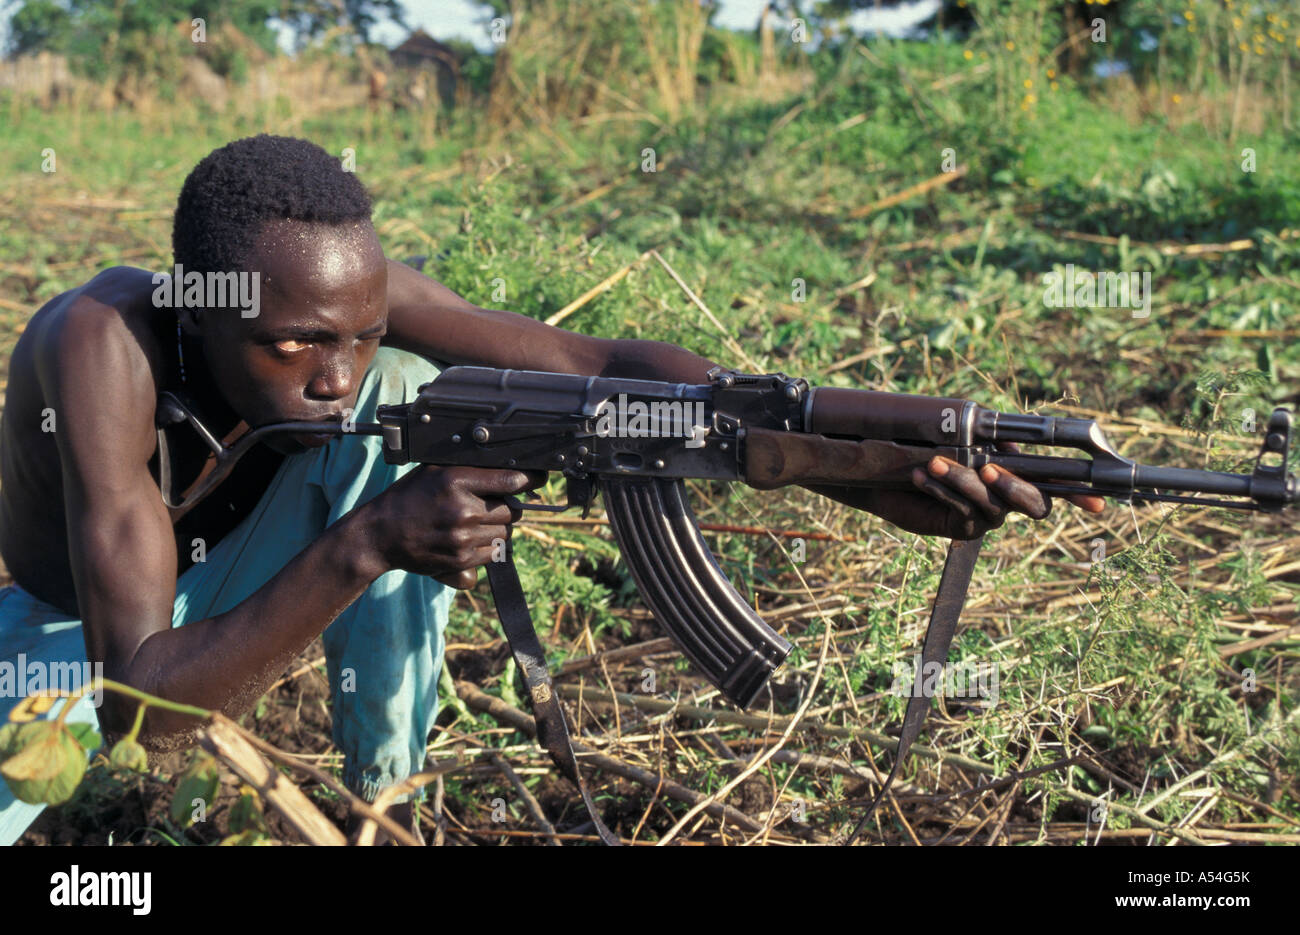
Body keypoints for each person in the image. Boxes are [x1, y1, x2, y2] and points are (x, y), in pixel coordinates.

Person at [0, 134, 1104, 845]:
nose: (331, 374)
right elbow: (140, 707)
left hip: (233, 578)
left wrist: (860, 463)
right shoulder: (100, 345)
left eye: (355, 330)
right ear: (200, 302)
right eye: (291, 344)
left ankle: (389, 802)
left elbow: (601, 365)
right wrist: (372, 537)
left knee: (415, 395)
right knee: (43, 782)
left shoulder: (347, 323)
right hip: (73, 636)